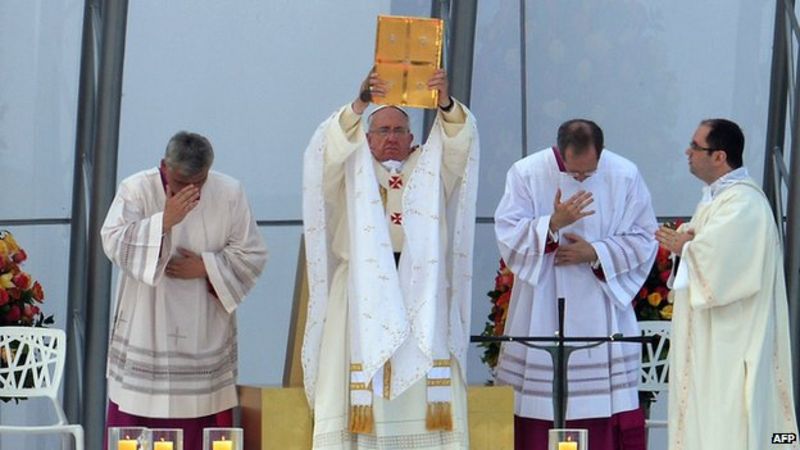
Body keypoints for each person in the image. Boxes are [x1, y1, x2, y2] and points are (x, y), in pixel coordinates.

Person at [301, 69, 480, 449]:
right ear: (367, 139)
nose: (392, 138)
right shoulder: (349, 171)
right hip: (361, 293)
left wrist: (445, 103)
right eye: (382, 131)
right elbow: (324, 149)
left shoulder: (432, 170)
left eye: (400, 131)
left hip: (419, 290)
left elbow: (461, 142)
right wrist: (361, 101)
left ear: (413, 138)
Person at [494, 119, 658, 450]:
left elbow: (644, 239)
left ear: (601, 152)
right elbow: (507, 233)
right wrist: (552, 224)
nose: (581, 179)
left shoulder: (624, 175)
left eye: (588, 173)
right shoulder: (527, 173)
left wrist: (595, 252)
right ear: (560, 152)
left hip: (601, 303)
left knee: (599, 406)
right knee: (541, 405)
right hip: (542, 304)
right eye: (574, 173)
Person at [101, 131, 267, 450]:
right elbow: (112, 241)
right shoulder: (136, 189)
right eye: (180, 182)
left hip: (202, 329)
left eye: (199, 181)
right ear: (164, 166)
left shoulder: (229, 192)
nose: (190, 190)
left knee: (201, 425)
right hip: (147, 325)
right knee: (137, 424)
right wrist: (164, 221)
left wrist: (206, 267)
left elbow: (252, 253)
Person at [656, 119, 798, 450]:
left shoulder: (744, 203)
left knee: (728, 419)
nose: (687, 152)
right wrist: (689, 242)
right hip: (712, 339)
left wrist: (686, 247)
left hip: (732, 343)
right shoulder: (716, 199)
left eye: (695, 146)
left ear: (719, 156)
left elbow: (725, 265)